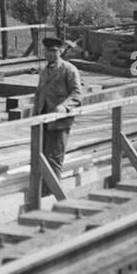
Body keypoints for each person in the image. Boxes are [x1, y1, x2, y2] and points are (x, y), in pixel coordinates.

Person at [32, 33, 83, 187]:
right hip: (43, 120)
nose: (50, 54)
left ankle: (52, 193)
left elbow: (77, 93)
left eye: (54, 51)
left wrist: (64, 106)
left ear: (60, 51)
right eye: (48, 51)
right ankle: (40, 191)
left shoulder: (69, 69)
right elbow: (40, 92)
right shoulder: (44, 70)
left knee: (54, 158)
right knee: (40, 156)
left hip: (59, 122)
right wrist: (34, 113)